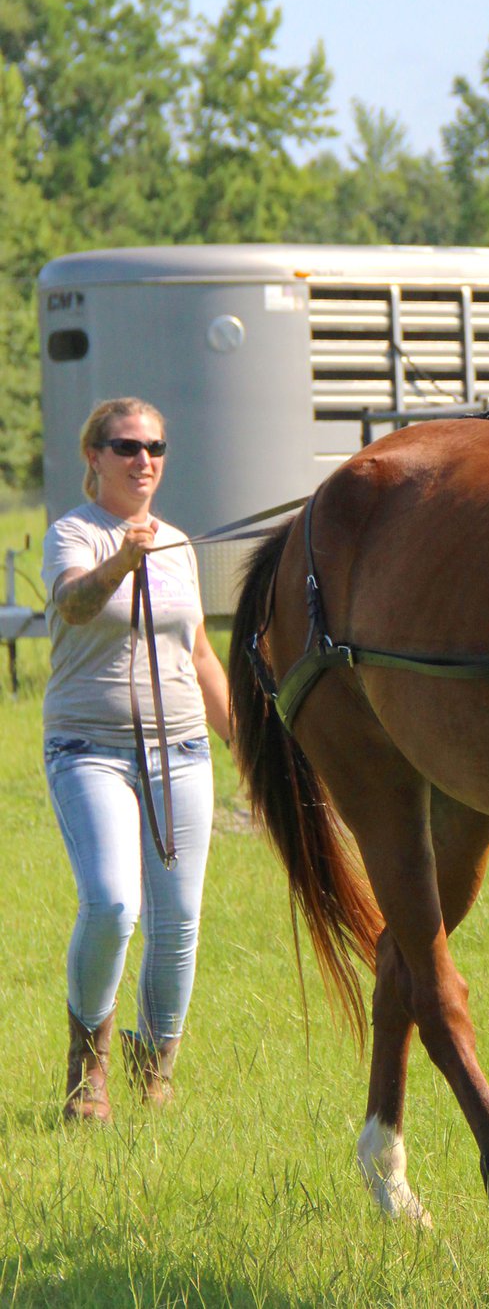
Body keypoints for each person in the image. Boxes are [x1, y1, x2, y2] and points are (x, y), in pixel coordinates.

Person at [42, 397, 230, 1122]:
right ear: (94, 457)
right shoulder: (75, 534)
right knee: (114, 904)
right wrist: (125, 557)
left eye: (154, 444)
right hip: (88, 750)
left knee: (178, 919)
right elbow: (75, 605)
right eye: (125, 446)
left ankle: (154, 1068)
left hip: (180, 750)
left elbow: (201, 653)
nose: (143, 458)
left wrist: (244, 743)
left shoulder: (177, 544)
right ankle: (87, 1065)